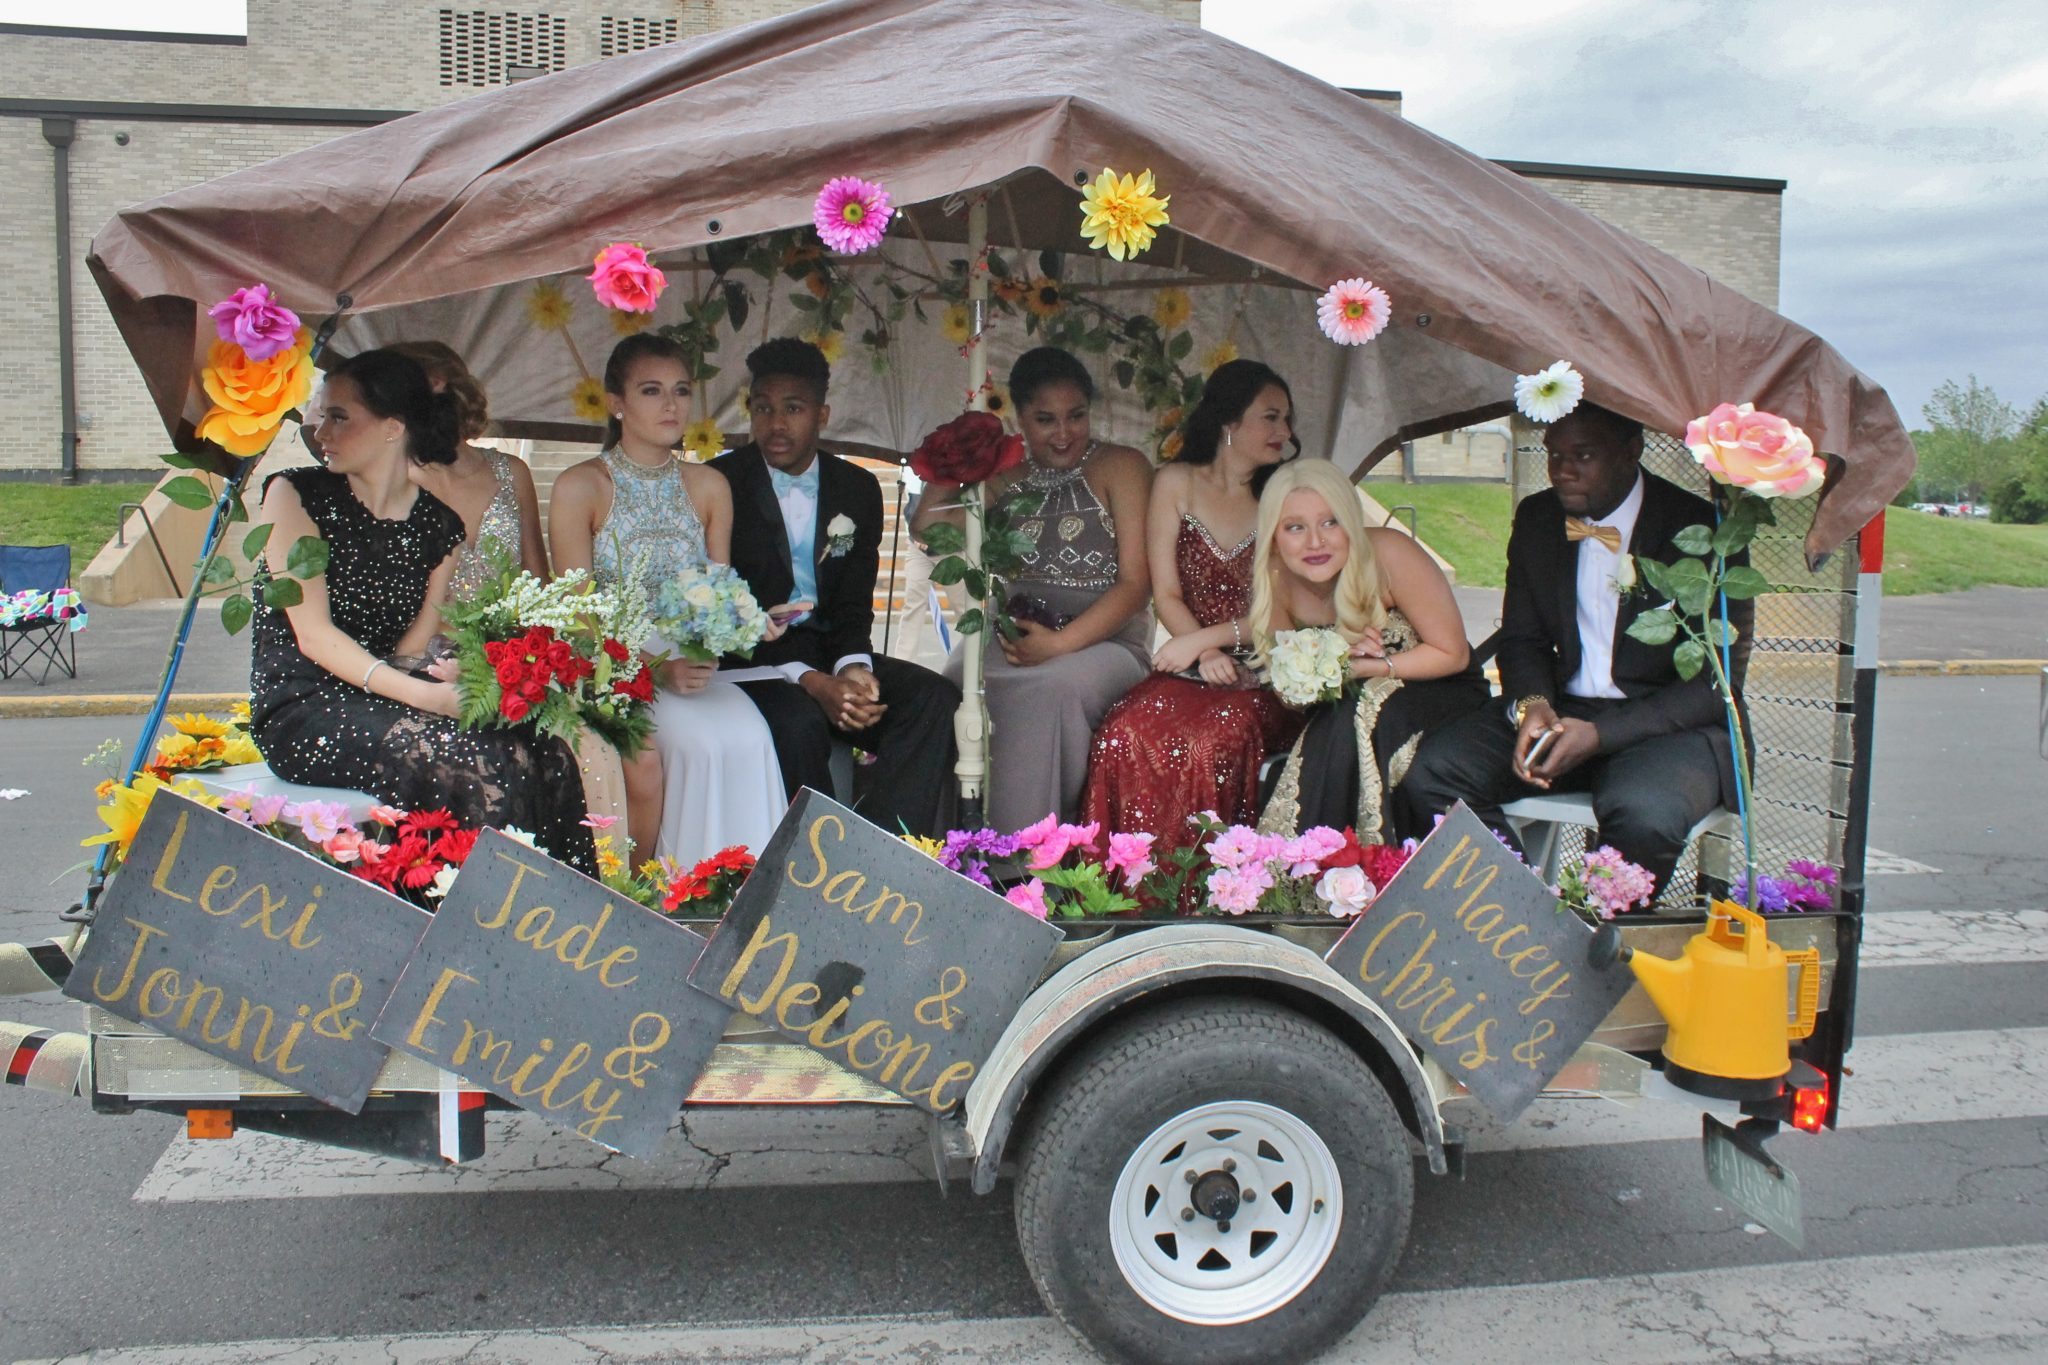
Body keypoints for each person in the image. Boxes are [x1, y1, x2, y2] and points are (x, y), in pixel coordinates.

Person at [247, 348, 595, 872]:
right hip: (304, 704)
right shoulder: (295, 494)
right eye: (323, 417)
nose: (321, 434)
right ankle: (463, 920)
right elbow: (314, 637)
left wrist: (463, 678)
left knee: (546, 755)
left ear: (392, 428)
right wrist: (429, 697)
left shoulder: (440, 525)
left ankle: (563, 924)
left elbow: (413, 647)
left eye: (339, 417)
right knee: (481, 766)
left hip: (387, 699)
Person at [1397, 402, 1754, 891]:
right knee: (1431, 775)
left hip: (1666, 727)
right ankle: (1520, 919)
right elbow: (1523, 638)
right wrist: (1533, 706)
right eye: (1553, 455)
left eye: (1582, 455)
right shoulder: (1539, 518)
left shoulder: (1703, 529)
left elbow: (1717, 684)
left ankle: (1595, 943)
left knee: (1644, 817)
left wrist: (1601, 735)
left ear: (1632, 452)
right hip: (1562, 711)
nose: (1562, 470)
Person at [549, 333, 789, 866]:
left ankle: (740, 891)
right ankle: (671, 892)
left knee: (751, 736)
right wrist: (654, 671)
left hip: (694, 664)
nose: (671, 405)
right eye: (652, 391)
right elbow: (576, 619)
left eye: (681, 391)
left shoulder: (708, 485)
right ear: (616, 403)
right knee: (699, 748)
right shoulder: (580, 486)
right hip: (612, 668)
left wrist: (743, 625)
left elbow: (720, 592)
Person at [711, 338, 961, 837]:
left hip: (828, 652)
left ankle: (888, 849)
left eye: (793, 409)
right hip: (748, 662)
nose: (776, 424)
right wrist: (811, 680)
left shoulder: (858, 488)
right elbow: (718, 619)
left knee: (933, 699)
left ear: (822, 414)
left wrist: (854, 669)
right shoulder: (719, 481)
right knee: (801, 721)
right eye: (763, 409)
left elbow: (852, 605)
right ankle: (813, 865)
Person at [912, 347, 1153, 830]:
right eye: (1045, 419)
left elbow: (1136, 585)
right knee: (958, 676)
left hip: (1106, 640)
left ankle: (1033, 852)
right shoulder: (1006, 476)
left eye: (1076, 416)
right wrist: (953, 458)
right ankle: (959, 842)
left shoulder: (1122, 466)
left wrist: (1060, 645)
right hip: (1015, 633)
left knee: (1054, 687)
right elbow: (927, 529)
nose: (1063, 433)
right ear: (1019, 418)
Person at [391, 342, 625, 831]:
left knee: (594, 748)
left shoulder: (509, 471)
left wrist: (532, 665)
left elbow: (537, 587)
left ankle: (602, 885)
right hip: (415, 665)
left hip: (509, 663)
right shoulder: (391, 483)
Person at [1079, 359, 1304, 855]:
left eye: (1287, 419)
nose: (1285, 432)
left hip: (1265, 670)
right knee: (1123, 732)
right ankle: (1124, 889)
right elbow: (1167, 594)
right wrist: (1203, 656)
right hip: (1190, 664)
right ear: (1229, 420)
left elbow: (1283, 611)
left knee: (1210, 745)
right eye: (1271, 417)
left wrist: (1211, 641)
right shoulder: (1175, 481)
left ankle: (1211, 895)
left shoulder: (1285, 497)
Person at [1250, 460, 1487, 844]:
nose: (1315, 542)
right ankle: (1316, 866)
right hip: (1351, 709)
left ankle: (1362, 859)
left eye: (1330, 522)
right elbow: (1291, 694)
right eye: (1295, 527)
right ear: (1274, 535)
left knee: (1365, 705)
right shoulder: (1277, 579)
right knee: (1347, 712)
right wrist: (1323, 671)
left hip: (1442, 690)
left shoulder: (1389, 553)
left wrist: (1371, 667)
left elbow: (1452, 653)